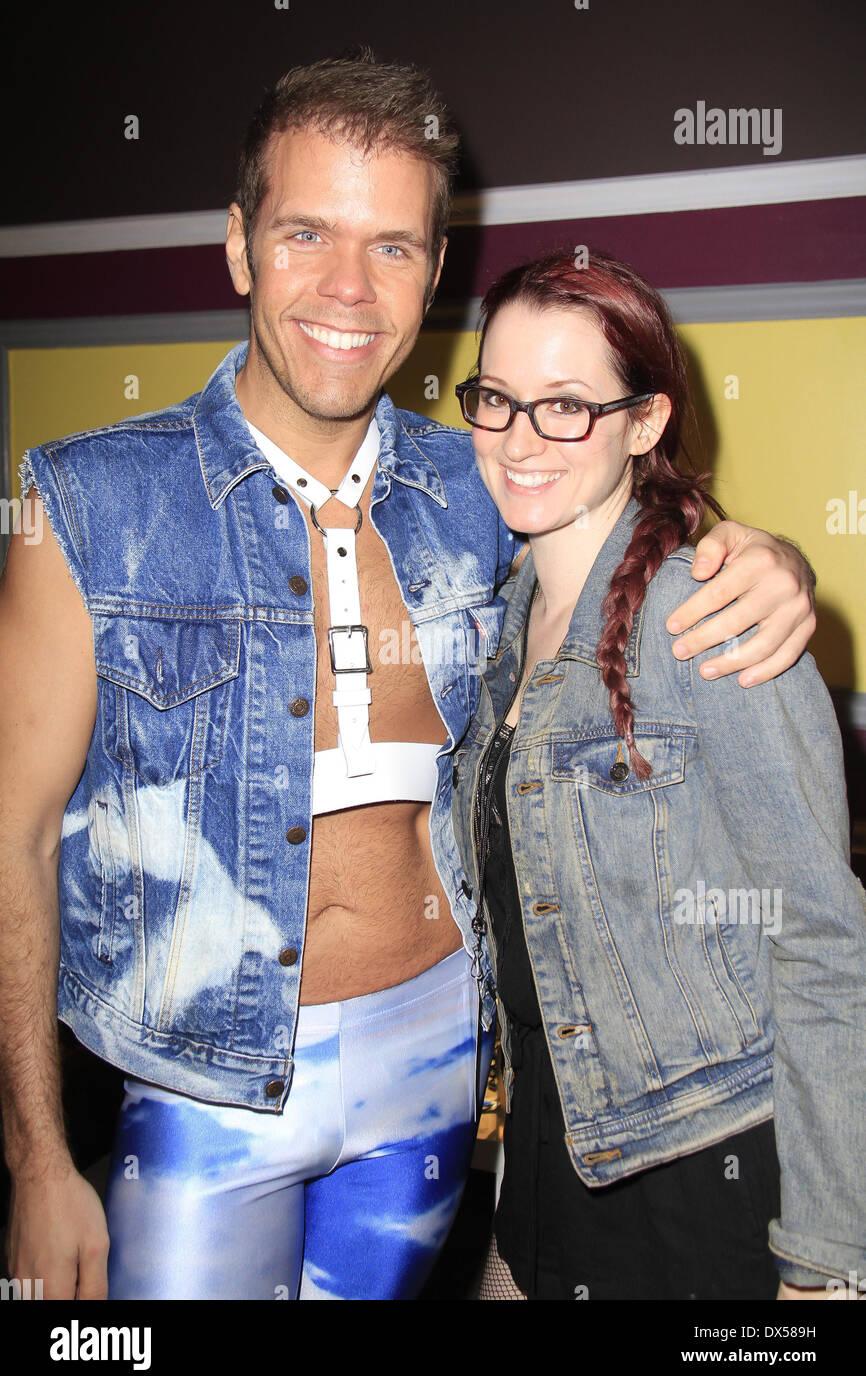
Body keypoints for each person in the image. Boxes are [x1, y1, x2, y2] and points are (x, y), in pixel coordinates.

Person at [0, 53, 818, 1302]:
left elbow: (623, 528)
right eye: (306, 232)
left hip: (434, 1083)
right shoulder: (91, 502)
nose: (346, 286)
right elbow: (12, 842)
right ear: (237, 246)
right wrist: (37, 1161)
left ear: (434, 272)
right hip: (206, 1099)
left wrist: (763, 553)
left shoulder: (481, 482)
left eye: (391, 247)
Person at [450, 247, 866, 1301]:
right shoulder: (498, 624)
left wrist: (821, 1266)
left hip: (702, 1189)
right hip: (546, 1164)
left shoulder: (704, 618)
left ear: (644, 423)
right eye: (495, 398)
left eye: (565, 407)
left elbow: (823, 944)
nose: (516, 439)